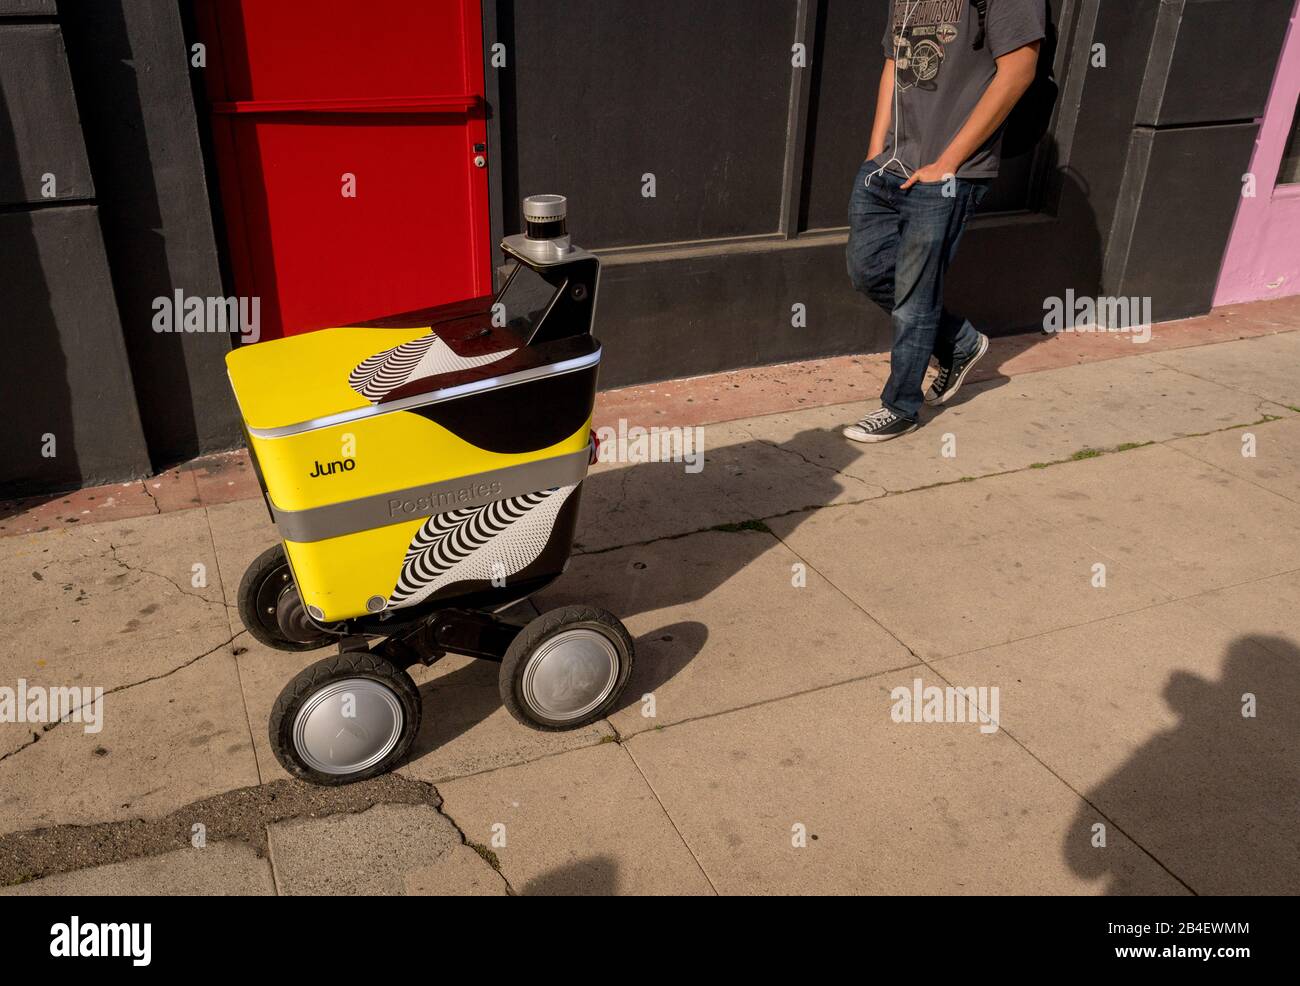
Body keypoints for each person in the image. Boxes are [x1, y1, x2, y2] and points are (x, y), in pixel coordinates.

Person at [844, 0, 1045, 443]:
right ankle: (960, 342)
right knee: (867, 271)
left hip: (950, 173)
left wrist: (948, 163)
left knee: (917, 293)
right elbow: (894, 63)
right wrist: (875, 152)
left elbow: (1019, 71)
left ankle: (900, 405)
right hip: (889, 165)